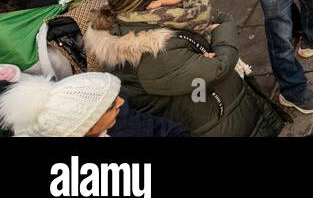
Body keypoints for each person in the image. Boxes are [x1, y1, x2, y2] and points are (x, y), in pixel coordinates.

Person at [84, 0, 284, 136]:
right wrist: (216, 37)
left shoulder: (164, 14)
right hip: (218, 125)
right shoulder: (154, 54)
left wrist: (205, 48)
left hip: (224, 109)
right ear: (154, 3)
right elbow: (220, 65)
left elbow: (216, 18)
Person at [0, 71, 188, 137]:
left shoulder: (120, 116)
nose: (121, 102)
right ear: (87, 128)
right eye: (110, 106)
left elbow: (164, 129)